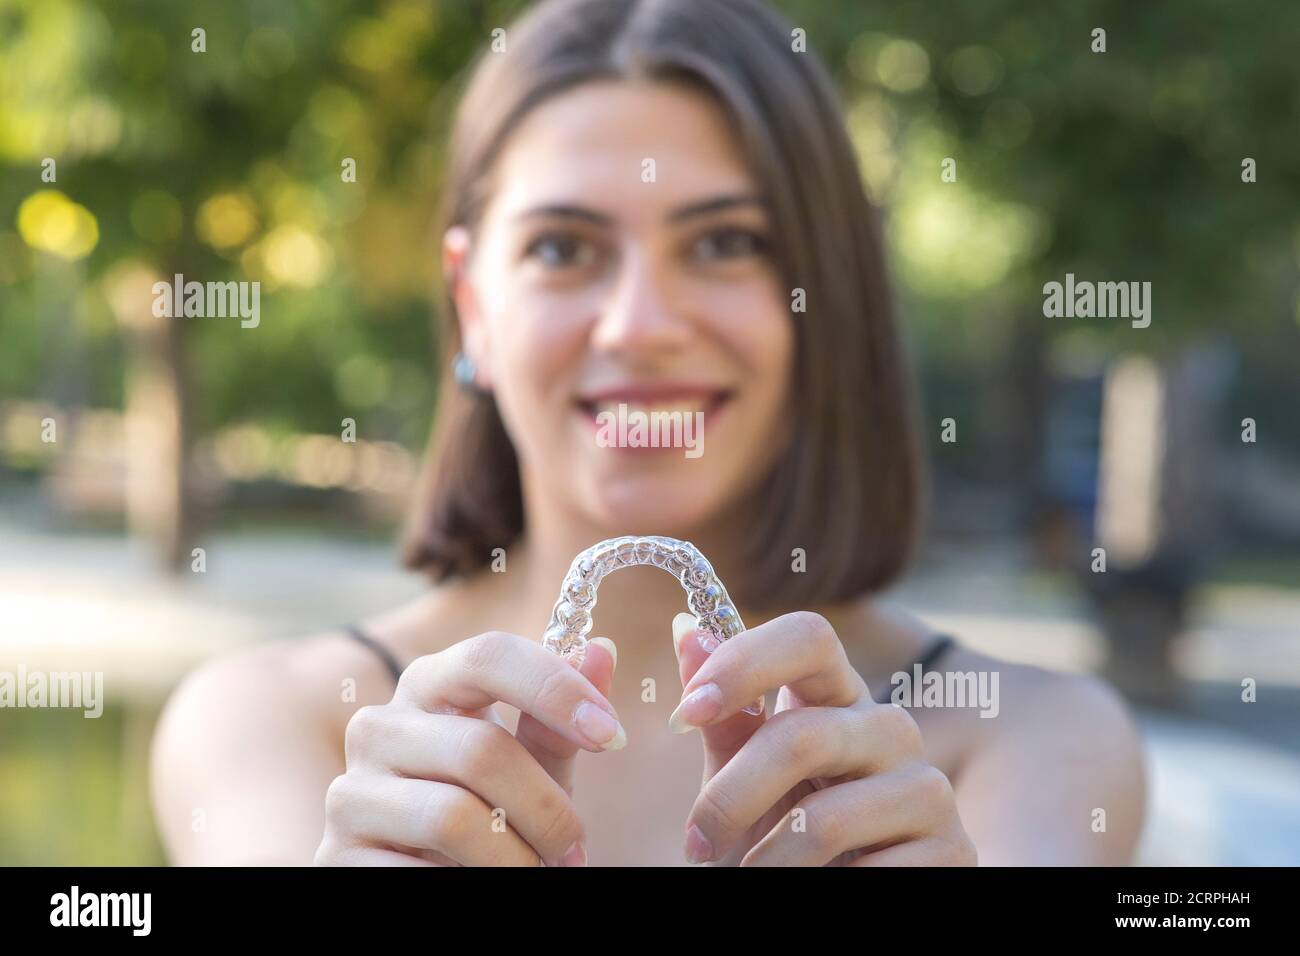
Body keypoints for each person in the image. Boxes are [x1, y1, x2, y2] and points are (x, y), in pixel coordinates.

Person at [150, 0, 1145, 866]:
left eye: (723, 243)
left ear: (822, 300)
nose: (639, 324)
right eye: (562, 247)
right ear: (473, 308)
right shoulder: (276, 723)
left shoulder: (1032, 739)